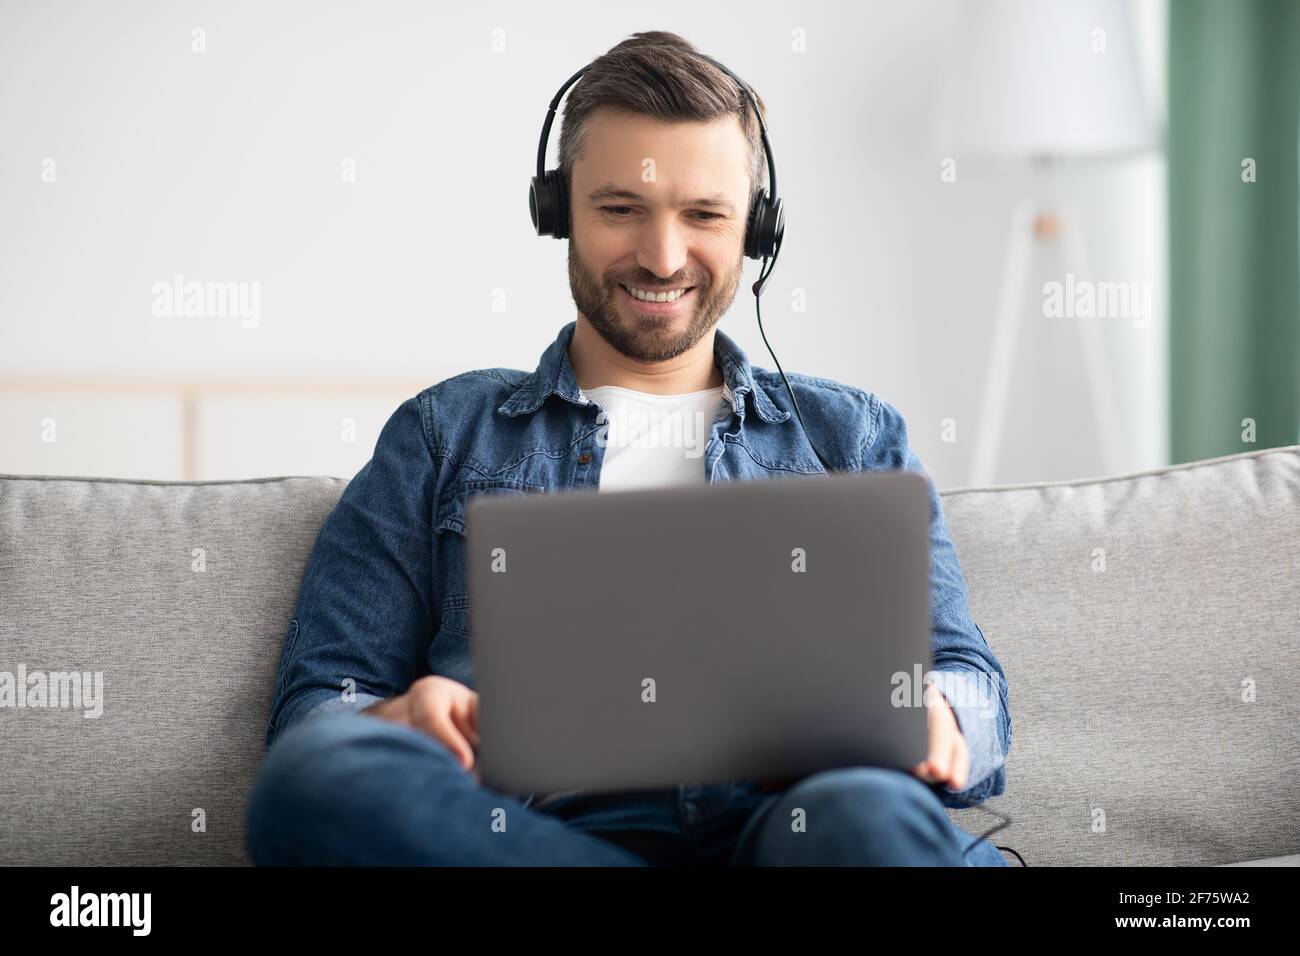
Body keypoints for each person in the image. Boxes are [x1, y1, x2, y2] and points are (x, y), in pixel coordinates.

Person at [245, 30, 1012, 867]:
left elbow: (973, 684)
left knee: (866, 819)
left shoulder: (854, 437)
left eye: (705, 215)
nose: (663, 256)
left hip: (802, 824)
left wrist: (935, 712)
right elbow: (321, 707)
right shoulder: (443, 432)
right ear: (556, 209)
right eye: (621, 209)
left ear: (756, 227)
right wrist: (400, 718)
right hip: (537, 831)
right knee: (312, 783)